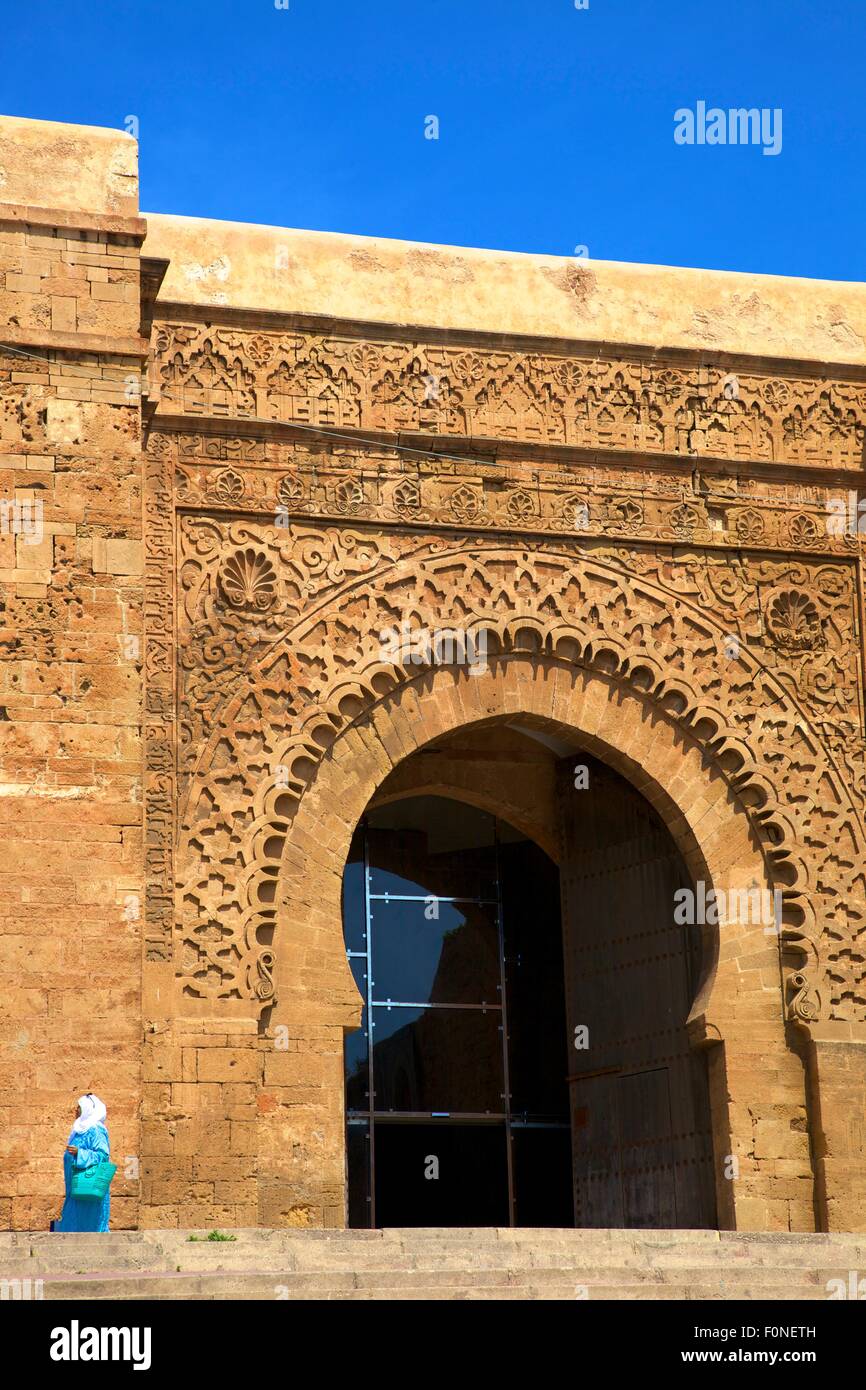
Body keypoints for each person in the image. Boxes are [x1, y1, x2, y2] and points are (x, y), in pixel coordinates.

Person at [53, 1093, 111, 1233]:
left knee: (89, 1216)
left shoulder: (96, 1130)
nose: (76, 1111)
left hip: (87, 1183)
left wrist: (80, 1153)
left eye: (79, 1108)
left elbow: (103, 1155)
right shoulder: (79, 1129)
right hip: (74, 1184)